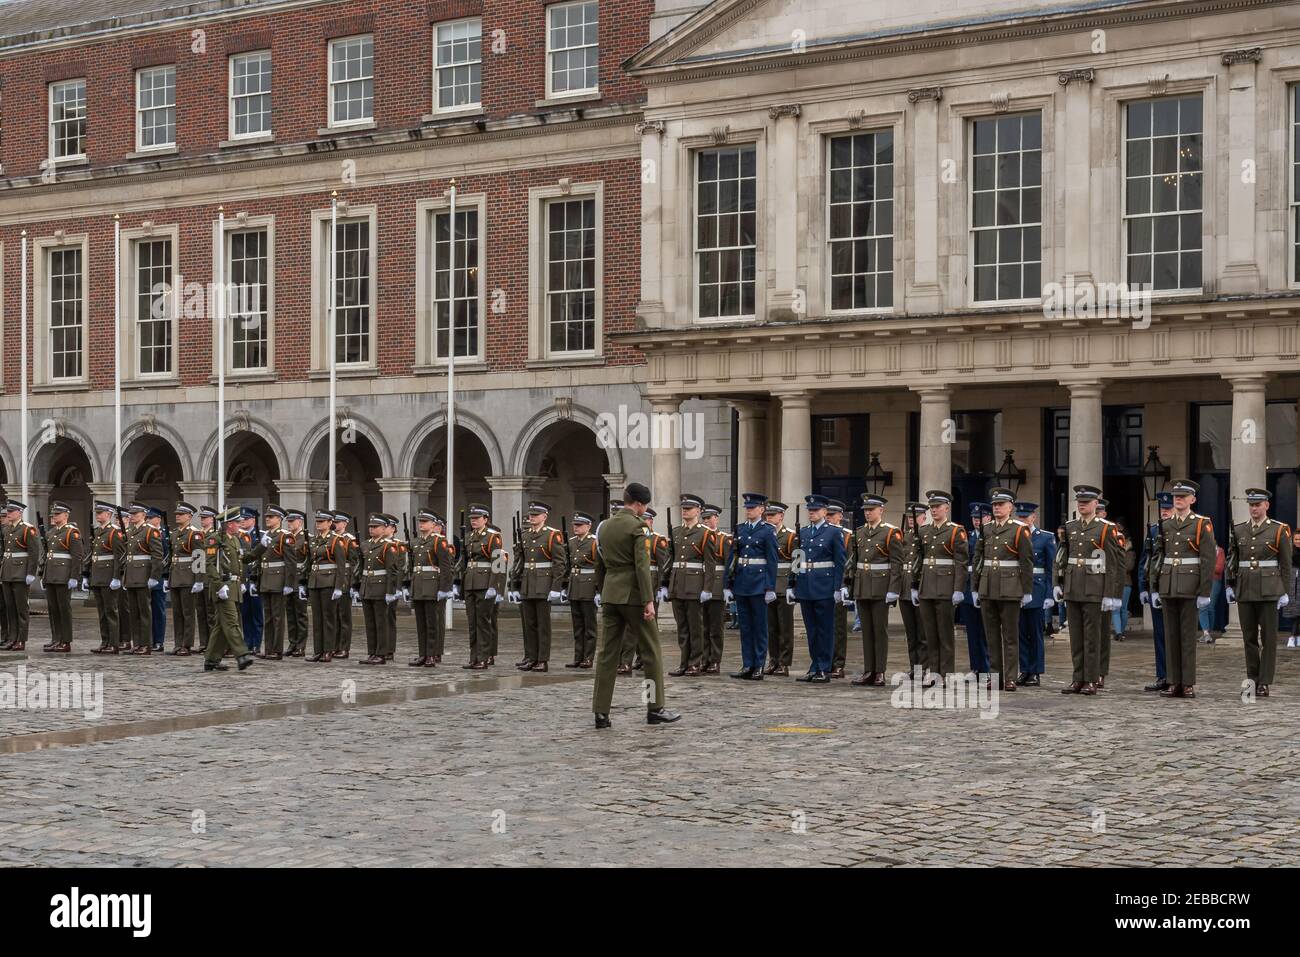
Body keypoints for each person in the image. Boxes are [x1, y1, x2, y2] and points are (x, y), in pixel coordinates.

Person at [591, 482, 680, 729]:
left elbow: (599, 564)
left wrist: (603, 590)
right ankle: (655, 708)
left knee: (607, 655)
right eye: (645, 505)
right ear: (639, 504)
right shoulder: (638, 527)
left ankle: (601, 712)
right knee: (650, 652)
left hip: (610, 593)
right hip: (633, 595)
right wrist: (648, 600)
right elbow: (642, 566)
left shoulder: (604, 527)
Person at [1055, 485, 1124, 695]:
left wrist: (1112, 594)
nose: (1082, 504)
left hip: (1095, 588)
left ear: (1096, 504)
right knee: (1076, 637)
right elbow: (1061, 558)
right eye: (1080, 501)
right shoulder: (1070, 527)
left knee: (1092, 637)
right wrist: (1057, 584)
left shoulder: (1106, 528)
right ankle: (1078, 678)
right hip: (1073, 586)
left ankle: (1092, 679)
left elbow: (1114, 564)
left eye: (1087, 501)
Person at [1151, 479, 1216, 699]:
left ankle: (1187, 682)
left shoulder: (1201, 523)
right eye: (1176, 496)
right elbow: (1158, 557)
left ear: (1192, 499)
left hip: (1190, 585)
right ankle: (1173, 681)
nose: (1178, 500)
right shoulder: (1165, 524)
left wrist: (1205, 591)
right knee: (1171, 636)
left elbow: (1207, 559)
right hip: (1168, 584)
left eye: (1182, 496)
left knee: (1187, 637)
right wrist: (1154, 587)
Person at [1226, 488, 1293, 697]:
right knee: (1249, 638)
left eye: (1258, 504)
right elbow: (1232, 559)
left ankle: (1265, 681)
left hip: (1269, 589)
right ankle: (1252, 679)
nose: (1254, 508)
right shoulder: (1239, 530)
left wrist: (1284, 589)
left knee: (1269, 638)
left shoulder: (1279, 530)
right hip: (1245, 587)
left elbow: (1285, 563)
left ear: (1266, 505)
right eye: (1251, 505)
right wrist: (1230, 584)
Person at [972, 487, 1034, 690]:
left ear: (1010, 507)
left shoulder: (1019, 529)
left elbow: (1026, 562)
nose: (997, 508)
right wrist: (975, 587)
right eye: (995, 505)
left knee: (1010, 635)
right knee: (991, 636)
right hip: (988, 587)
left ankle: (1009, 677)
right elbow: (978, 559)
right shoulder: (986, 529)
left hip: (1010, 587)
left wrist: (1026, 590)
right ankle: (995, 675)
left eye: (1001, 505)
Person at [845, 493, 902, 687]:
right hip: (862, 586)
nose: (868, 513)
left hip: (880, 587)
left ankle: (880, 671)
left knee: (879, 631)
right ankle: (869, 670)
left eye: (871, 510)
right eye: (866, 510)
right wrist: (849, 586)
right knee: (866, 631)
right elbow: (853, 562)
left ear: (881, 511)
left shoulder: (890, 533)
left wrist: (894, 589)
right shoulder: (859, 532)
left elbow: (896, 563)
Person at [788, 494, 846, 683]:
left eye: (815, 510)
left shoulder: (834, 532)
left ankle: (824, 667)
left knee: (825, 629)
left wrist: (838, 587)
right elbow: (797, 559)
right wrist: (792, 584)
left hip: (825, 586)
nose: (811, 513)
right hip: (805, 586)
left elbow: (840, 562)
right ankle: (814, 665)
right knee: (811, 630)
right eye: (810, 511)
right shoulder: (803, 532)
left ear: (824, 511)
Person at [914, 490, 967, 683]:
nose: (934, 510)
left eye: (937, 507)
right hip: (926, 586)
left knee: (945, 635)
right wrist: (915, 585)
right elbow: (919, 560)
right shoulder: (924, 530)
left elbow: (961, 562)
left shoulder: (955, 531)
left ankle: (946, 673)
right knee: (930, 634)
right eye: (932, 507)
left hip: (945, 587)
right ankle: (933, 672)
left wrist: (958, 588)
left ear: (947, 508)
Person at [725, 492, 778, 680]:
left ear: (761, 510)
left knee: (759, 627)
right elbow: (732, 558)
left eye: (752, 508)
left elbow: (772, 561)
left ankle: (759, 665)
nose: (749, 510)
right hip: (741, 582)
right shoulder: (740, 529)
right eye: (747, 508)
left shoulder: (767, 530)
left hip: (758, 583)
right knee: (745, 627)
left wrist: (770, 587)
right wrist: (727, 585)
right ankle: (747, 664)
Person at [509, 501, 567, 672]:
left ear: (544, 517)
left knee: (543, 624)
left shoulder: (552, 535)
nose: (531, 517)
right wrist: (514, 586)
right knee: (529, 623)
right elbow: (519, 563)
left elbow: (559, 563)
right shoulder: (525, 536)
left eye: (535, 515)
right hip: (527, 584)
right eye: (530, 515)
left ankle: (542, 659)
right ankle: (531, 657)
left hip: (544, 584)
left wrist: (556, 587)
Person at [665, 494, 714, 677]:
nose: (685, 510)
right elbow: (670, 560)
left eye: (689, 508)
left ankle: (695, 662)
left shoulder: (705, 533)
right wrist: (666, 584)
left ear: (699, 511)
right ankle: (683, 662)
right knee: (682, 627)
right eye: (684, 508)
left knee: (695, 627)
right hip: (678, 584)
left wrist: (707, 588)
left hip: (694, 585)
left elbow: (710, 563)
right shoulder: (676, 532)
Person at [203, 506, 254, 673]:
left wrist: (262, 548)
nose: (240, 524)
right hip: (223, 587)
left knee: (220, 626)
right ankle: (242, 655)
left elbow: (244, 559)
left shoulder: (234, 540)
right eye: (237, 522)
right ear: (228, 524)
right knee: (232, 622)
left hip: (233, 587)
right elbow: (210, 564)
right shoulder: (215, 539)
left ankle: (211, 660)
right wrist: (219, 585)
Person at [457, 504, 504, 670]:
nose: (474, 521)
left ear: (485, 519)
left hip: (485, 583)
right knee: (472, 622)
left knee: (483, 622)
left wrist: (494, 586)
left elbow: (498, 563)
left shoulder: (493, 537)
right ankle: (474, 657)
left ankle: (483, 657)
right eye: (472, 519)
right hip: (470, 582)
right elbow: (465, 562)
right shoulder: (469, 536)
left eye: (477, 518)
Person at [1014, 502, 1055, 686]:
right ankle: (1024, 670)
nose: (1022, 520)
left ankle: (1036, 671)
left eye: (1026, 517)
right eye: (1020, 517)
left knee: (1035, 633)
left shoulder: (1045, 538)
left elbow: (1050, 568)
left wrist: (1049, 593)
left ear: (1033, 517)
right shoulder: (1013, 534)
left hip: (1037, 590)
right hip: (1016, 588)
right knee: (1020, 633)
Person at [247, 505, 296, 660]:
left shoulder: (284, 536)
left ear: (279, 519)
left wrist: (289, 583)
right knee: (267, 616)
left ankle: (277, 649)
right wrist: (255, 579)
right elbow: (259, 559)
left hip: (278, 579)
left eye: (271, 517)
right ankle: (268, 648)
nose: (267, 519)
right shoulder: (265, 536)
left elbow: (291, 563)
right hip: (265, 578)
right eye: (267, 516)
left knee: (277, 617)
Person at [408, 510, 455, 667]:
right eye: (420, 521)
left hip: (432, 586)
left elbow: (446, 567)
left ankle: (432, 654)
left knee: (432, 623)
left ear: (433, 525)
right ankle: (423, 654)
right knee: (421, 623)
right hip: (419, 586)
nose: (421, 524)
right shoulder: (416, 542)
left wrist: (444, 588)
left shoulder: (438, 541)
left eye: (425, 522)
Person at [1138, 492, 1174, 691]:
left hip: (1175, 587)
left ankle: (1177, 676)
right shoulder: (1153, 531)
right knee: (1159, 634)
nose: (1165, 512)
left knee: (1175, 634)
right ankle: (1162, 675)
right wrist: (1143, 587)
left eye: (1168, 509)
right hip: (1156, 588)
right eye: (1163, 509)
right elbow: (1146, 560)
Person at [40, 501, 84, 654]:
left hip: (64, 575)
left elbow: (77, 556)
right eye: (53, 514)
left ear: (66, 515)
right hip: (51, 574)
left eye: (57, 514)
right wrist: (43, 574)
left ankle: (65, 641)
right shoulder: (51, 533)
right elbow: (47, 556)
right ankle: (56, 638)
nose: (54, 516)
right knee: (53, 608)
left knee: (63, 608)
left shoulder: (72, 533)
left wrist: (74, 577)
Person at [359, 514, 403, 665]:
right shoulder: (365, 545)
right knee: (370, 622)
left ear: (384, 529)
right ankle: (372, 652)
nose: (371, 529)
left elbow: (392, 570)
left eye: (375, 527)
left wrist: (391, 591)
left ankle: (382, 653)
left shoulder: (388, 546)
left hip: (380, 587)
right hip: (367, 586)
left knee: (381, 622)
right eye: (370, 527)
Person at [122, 502, 163, 656]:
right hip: (132, 574)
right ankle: (137, 643)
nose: (132, 516)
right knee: (134, 612)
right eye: (131, 514)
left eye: (136, 514)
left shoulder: (150, 531)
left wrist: (154, 577)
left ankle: (146, 644)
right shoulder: (131, 531)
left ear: (144, 515)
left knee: (144, 611)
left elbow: (157, 556)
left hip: (144, 575)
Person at [306, 509, 347, 662]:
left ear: (330, 523)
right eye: (317, 521)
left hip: (329, 581)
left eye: (322, 521)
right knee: (317, 618)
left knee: (328, 617)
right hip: (315, 581)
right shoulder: (314, 539)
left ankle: (328, 650)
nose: (318, 524)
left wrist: (338, 587)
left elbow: (341, 566)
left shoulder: (336, 540)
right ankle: (318, 650)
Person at [86, 501, 126, 654]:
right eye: (97, 513)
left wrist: (116, 577)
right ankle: (105, 641)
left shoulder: (114, 532)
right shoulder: (98, 532)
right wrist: (88, 576)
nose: (98, 515)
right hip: (98, 576)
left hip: (109, 577)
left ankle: (114, 643)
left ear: (109, 515)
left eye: (100, 513)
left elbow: (119, 556)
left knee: (111, 611)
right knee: (102, 612)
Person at [763, 501, 798, 676]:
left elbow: (797, 563)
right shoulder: (764, 534)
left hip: (784, 586)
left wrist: (794, 585)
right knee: (771, 627)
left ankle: (784, 663)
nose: (769, 518)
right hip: (768, 586)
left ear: (781, 516)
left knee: (785, 628)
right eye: (767, 515)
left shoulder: (791, 536)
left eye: (772, 515)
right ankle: (773, 660)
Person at [166, 502, 204, 657]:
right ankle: (178, 643)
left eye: (181, 514)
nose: (177, 516)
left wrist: (199, 579)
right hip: (175, 576)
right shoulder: (174, 533)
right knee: (177, 613)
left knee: (188, 613)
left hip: (188, 577)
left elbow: (199, 556)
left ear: (189, 516)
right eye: (177, 514)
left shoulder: (194, 534)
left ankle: (186, 645)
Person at [564, 512, 599, 669]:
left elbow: (599, 567)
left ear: (589, 526)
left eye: (579, 525)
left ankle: (588, 657)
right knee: (577, 626)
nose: (576, 528)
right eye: (575, 525)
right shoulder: (571, 542)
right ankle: (578, 656)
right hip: (574, 586)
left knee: (589, 626)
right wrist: (565, 586)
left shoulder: (594, 543)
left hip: (588, 586)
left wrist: (598, 590)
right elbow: (567, 566)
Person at [961, 502, 992, 675]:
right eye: (974, 518)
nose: (977, 521)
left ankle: (987, 667)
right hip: (968, 587)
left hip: (985, 586)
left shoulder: (991, 537)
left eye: (981, 518)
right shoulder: (968, 537)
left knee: (986, 631)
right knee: (972, 631)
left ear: (988, 518)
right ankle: (975, 667)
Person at [700, 503, 730, 673]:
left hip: (717, 585)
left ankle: (715, 660)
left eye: (708, 518)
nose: (705, 521)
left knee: (716, 626)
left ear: (716, 519)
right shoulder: (699, 536)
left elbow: (728, 564)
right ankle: (704, 658)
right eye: (703, 518)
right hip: (699, 583)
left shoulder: (724, 539)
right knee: (702, 625)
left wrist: (727, 587)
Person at [826, 499, 853, 678]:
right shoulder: (819, 533)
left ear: (840, 516)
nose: (828, 518)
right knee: (822, 626)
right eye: (826, 515)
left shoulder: (848, 535)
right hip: (821, 585)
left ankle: (838, 663)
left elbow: (849, 563)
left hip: (838, 585)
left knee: (838, 627)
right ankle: (825, 661)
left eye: (831, 515)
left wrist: (845, 586)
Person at [332, 512, 360, 659]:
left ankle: (343, 647)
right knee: (333, 616)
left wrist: (352, 584)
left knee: (344, 616)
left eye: (337, 522)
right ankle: (333, 646)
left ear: (345, 524)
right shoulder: (330, 539)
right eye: (333, 522)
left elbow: (355, 563)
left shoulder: (349, 540)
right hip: (331, 578)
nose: (335, 524)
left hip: (344, 579)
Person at [284, 509, 311, 657]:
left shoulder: (306, 538)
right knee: (290, 614)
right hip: (288, 580)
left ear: (300, 522)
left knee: (301, 614)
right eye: (288, 521)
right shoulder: (286, 538)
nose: (289, 523)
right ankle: (292, 642)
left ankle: (301, 645)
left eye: (292, 521)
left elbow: (308, 561)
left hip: (300, 578)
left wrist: (304, 582)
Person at [1110, 518, 1135, 643]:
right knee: (1115, 608)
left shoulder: (1129, 552)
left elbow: (1129, 566)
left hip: (1125, 582)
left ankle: (1121, 631)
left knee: (1123, 608)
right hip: (1113, 581)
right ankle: (1119, 632)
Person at [1199, 543, 1226, 644]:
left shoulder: (1219, 551)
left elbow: (1219, 569)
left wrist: (1205, 566)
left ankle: (1208, 632)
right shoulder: (1201, 549)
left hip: (1214, 581)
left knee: (1210, 606)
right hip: (1202, 580)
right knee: (1202, 606)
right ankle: (1206, 633)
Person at [1285, 528, 1300, 649]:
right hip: (1292, 583)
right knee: (1294, 611)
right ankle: (1292, 636)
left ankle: (1297, 636)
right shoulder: (1289, 551)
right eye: (1296, 539)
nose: (1298, 541)